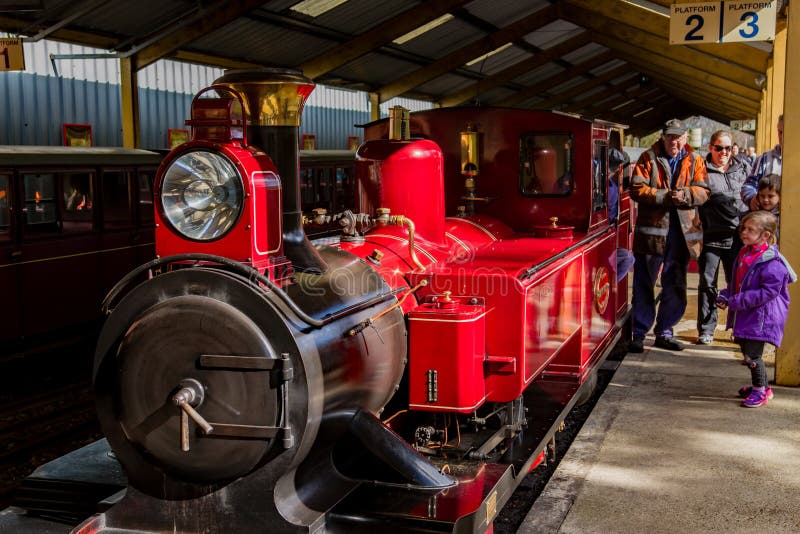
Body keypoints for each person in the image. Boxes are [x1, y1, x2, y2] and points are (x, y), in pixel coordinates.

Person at [629, 119, 709, 352]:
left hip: (682, 234)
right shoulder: (648, 157)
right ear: (663, 138)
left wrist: (685, 195)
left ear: (685, 139)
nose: (674, 141)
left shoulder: (696, 160)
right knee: (644, 283)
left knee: (675, 283)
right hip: (652, 235)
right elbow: (636, 188)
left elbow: (704, 191)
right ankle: (639, 332)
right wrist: (665, 197)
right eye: (670, 137)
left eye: (678, 137)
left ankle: (665, 331)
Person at [716, 211, 797, 407]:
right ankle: (762, 387)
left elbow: (767, 292)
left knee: (753, 356)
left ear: (765, 235)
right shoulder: (746, 253)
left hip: (762, 317)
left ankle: (760, 390)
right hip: (748, 314)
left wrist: (736, 301)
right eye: (743, 228)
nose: (744, 232)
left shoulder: (772, 262)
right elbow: (740, 283)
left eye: (750, 229)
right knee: (746, 350)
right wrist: (727, 294)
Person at [695, 130, 750, 345]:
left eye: (727, 148)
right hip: (710, 236)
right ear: (711, 148)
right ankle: (707, 329)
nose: (723, 152)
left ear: (733, 148)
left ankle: (738, 328)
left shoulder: (743, 168)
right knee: (707, 283)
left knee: (737, 283)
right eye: (719, 148)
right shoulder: (702, 170)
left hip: (738, 237)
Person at [742, 115, 782, 210]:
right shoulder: (764, 158)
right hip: (767, 219)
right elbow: (749, 185)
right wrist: (751, 198)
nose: (782, 136)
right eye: (780, 132)